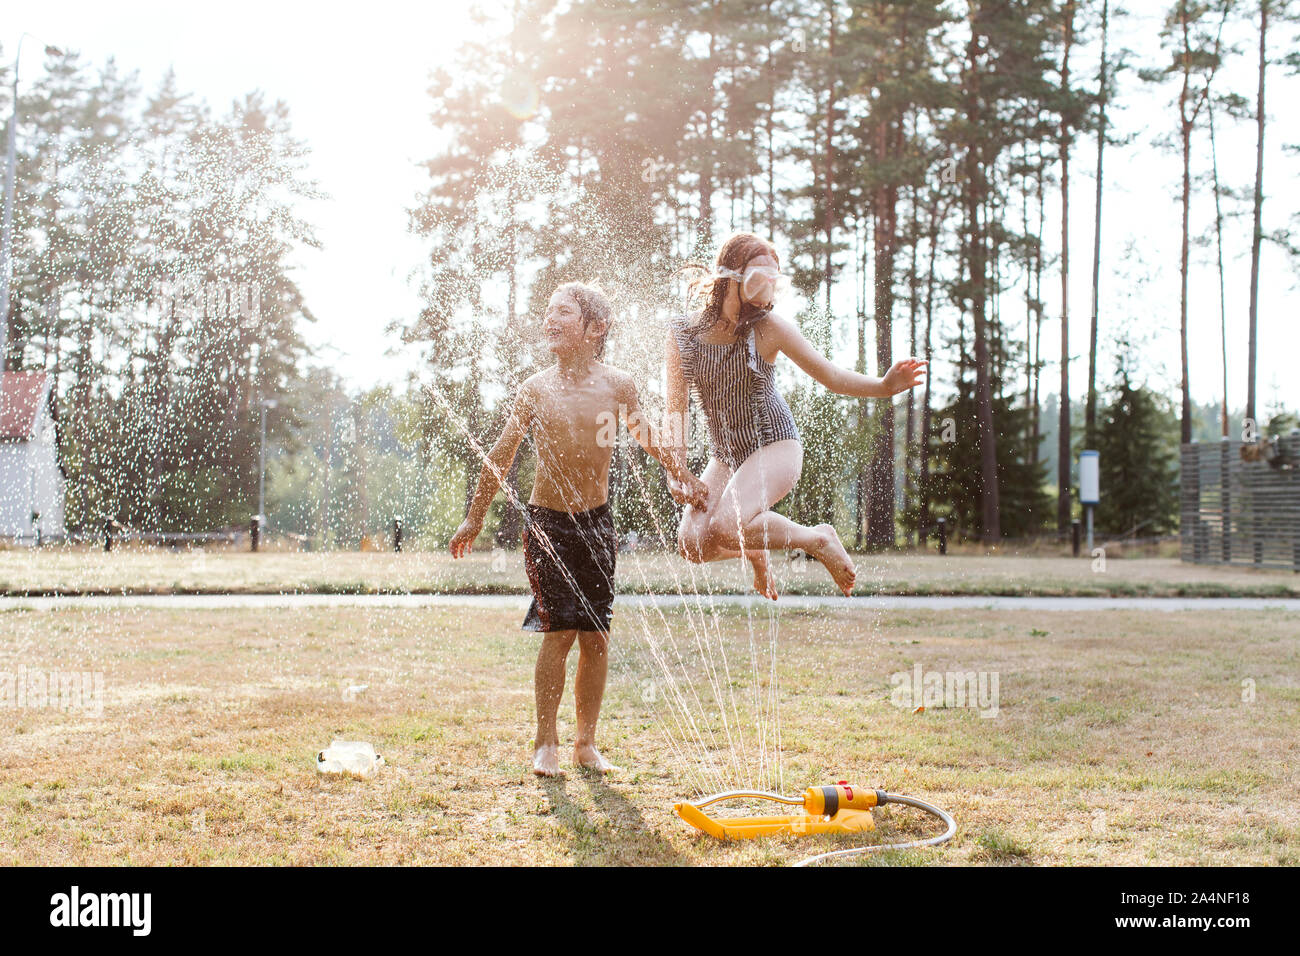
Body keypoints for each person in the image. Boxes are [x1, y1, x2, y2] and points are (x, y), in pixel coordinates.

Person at [449, 281, 708, 777]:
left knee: (596, 636)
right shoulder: (535, 389)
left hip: (596, 522)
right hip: (548, 524)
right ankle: (545, 741)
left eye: (563, 312)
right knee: (560, 631)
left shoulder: (617, 385)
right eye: (548, 312)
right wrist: (475, 515)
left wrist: (685, 475)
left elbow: (647, 437)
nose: (550, 320)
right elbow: (500, 456)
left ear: (595, 328)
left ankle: (585, 743)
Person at [665, 232, 926, 598]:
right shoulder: (683, 334)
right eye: (759, 278)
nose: (767, 289)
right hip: (726, 454)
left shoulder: (769, 329)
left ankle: (818, 539)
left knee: (726, 525)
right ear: (730, 277)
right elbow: (675, 411)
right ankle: (756, 549)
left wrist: (884, 386)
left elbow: (832, 376)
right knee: (692, 544)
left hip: (775, 444)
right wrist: (675, 471)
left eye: (774, 281)